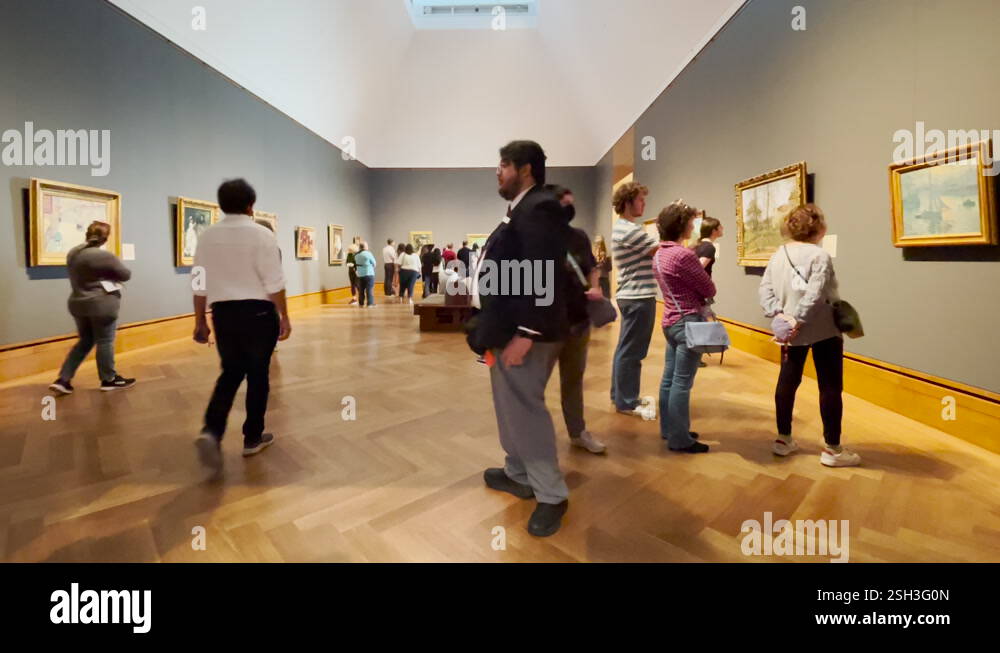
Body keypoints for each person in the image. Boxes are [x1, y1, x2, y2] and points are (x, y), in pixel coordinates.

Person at [469, 140, 571, 538]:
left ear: (526, 170)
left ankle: (551, 494)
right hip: (507, 330)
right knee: (510, 405)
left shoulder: (539, 207)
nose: (498, 171)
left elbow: (542, 273)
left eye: (504, 165)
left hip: (526, 333)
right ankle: (519, 473)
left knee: (525, 410)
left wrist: (526, 334)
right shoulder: (523, 209)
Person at [191, 178, 291, 468]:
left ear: (222, 205)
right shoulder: (262, 235)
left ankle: (211, 431)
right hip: (259, 314)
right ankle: (252, 438)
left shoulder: (207, 236)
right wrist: (284, 315)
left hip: (224, 314)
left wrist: (200, 320)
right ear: (250, 205)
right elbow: (274, 282)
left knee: (230, 373)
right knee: (258, 375)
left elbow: (199, 283)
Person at [759, 204, 860, 467]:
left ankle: (783, 439)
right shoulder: (819, 256)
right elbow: (815, 295)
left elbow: (765, 289)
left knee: (787, 382)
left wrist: (781, 317)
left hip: (791, 333)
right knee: (829, 387)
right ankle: (833, 449)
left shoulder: (778, 254)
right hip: (824, 330)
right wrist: (797, 319)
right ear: (819, 228)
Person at [546, 184, 606, 454]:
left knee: (573, 381)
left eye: (571, 203)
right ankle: (535, 440)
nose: (568, 209)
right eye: (563, 203)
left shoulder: (579, 236)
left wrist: (595, 286)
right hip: (546, 326)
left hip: (578, 321)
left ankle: (577, 431)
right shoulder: (534, 239)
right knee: (534, 386)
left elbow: (592, 267)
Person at [653, 201, 715, 454]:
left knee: (669, 379)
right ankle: (679, 439)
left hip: (670, 320)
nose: (693, 225)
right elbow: (709, 288)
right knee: (682, 382)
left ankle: (670, 429)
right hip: (688, 321)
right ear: (681, 225)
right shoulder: (683, 254)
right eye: (690, 221)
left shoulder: (660, 253)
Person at [48, 221, 136, 394]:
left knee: (85, 341)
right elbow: (126, 275)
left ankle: (63, 379)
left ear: (87, 234)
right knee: (105, 341)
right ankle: (108, 379)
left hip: (77, 303)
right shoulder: (103, 256)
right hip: (101, 304)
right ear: (105, 237)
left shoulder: (73, 253)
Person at [609, 181, 658, 420]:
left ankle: (619, 395)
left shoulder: (624, 228)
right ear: (627, 202)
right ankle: (626, 401)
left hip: (633, 295)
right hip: (638, 296)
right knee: (632, 352)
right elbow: (661, 251)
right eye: (640, 199)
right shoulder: (630, 230)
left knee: (625, 349)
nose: (644, 203)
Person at [354, 241, 377, 307]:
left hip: (360, 275)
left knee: (361, 290)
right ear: (364, 247)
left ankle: (361, 303)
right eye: (367, 245)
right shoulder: (368, 253)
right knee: (369, 289)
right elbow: (374, 263)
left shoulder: (356, 255)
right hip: (369, 273)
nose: (368, 246)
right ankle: (370, 303)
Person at [593, 234, 612, 298]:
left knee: (606, 297)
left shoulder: (606, 255)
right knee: (595, 298)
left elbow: (609, 268)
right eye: (597, 243)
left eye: (600, 243)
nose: (599, 246)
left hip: (603, 278)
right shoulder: (592, 255)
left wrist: (605, 260)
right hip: (596, 278)